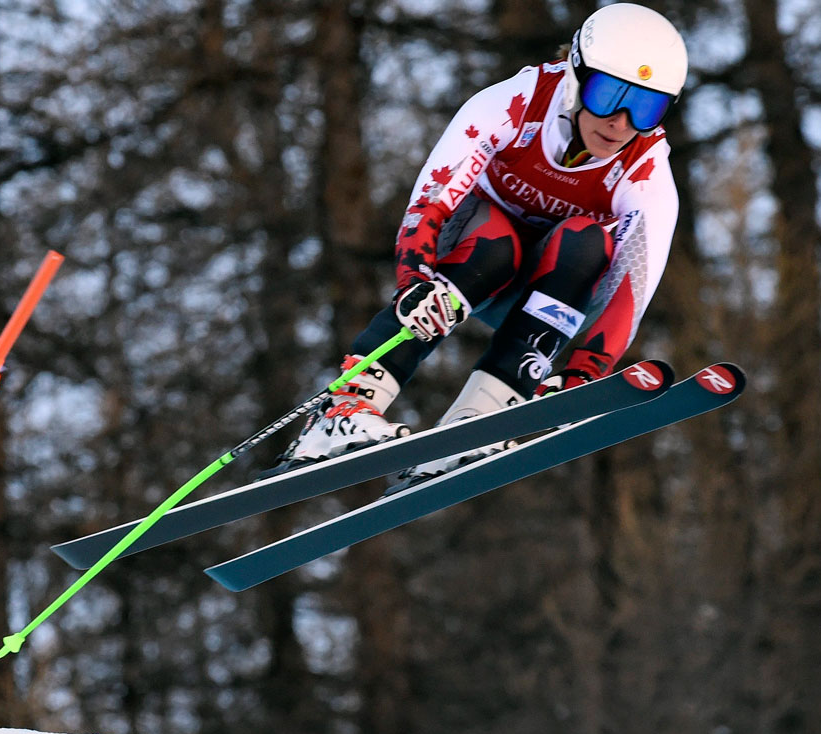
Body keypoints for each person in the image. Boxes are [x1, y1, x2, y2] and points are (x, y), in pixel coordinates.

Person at [273, 3, 687, 485]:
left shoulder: (647, 171)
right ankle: (343, 410)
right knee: (496, 243)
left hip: (548, 293)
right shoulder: (516, 101)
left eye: (645, 107)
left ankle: (479, 420)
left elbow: (631, 293)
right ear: (575, 74)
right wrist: (413, 279)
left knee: (587, 242)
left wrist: (583, 381)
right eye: (609, 94)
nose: (620, 122)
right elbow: (432, 199)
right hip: (470, 257)